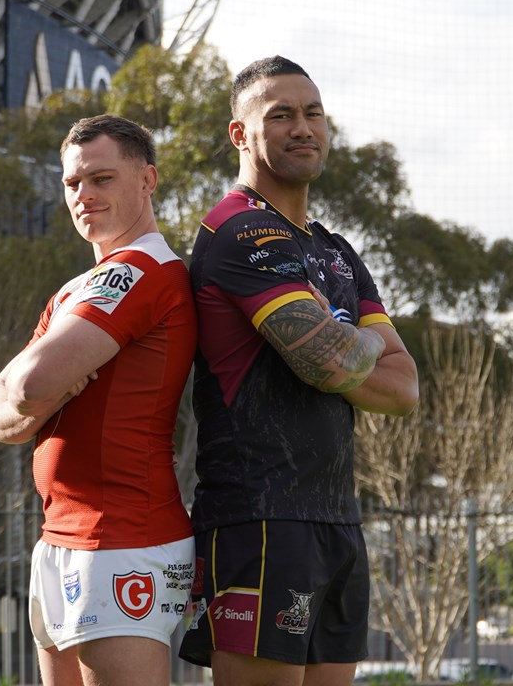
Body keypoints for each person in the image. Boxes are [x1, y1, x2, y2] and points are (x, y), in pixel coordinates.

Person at [179, 57, 420, 686]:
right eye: (281, 115)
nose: (303, 127)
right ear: (240, 134)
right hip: (260, 517)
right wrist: (353, 343)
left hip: (337, 520)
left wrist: (338, 343)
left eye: (313, 113)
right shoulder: (240, 229)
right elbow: (331, 361)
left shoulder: (335, 251)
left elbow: (403, 389)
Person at [0, 114, 196, 686]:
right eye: (72, 183)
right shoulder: (75, 289)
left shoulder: (145, 269)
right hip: (59, 536)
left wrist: (34, 393)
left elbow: (24, 388)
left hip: (123, 540)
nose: (84, 195)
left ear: (148, 180)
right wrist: (39, 391)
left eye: (101, 178)